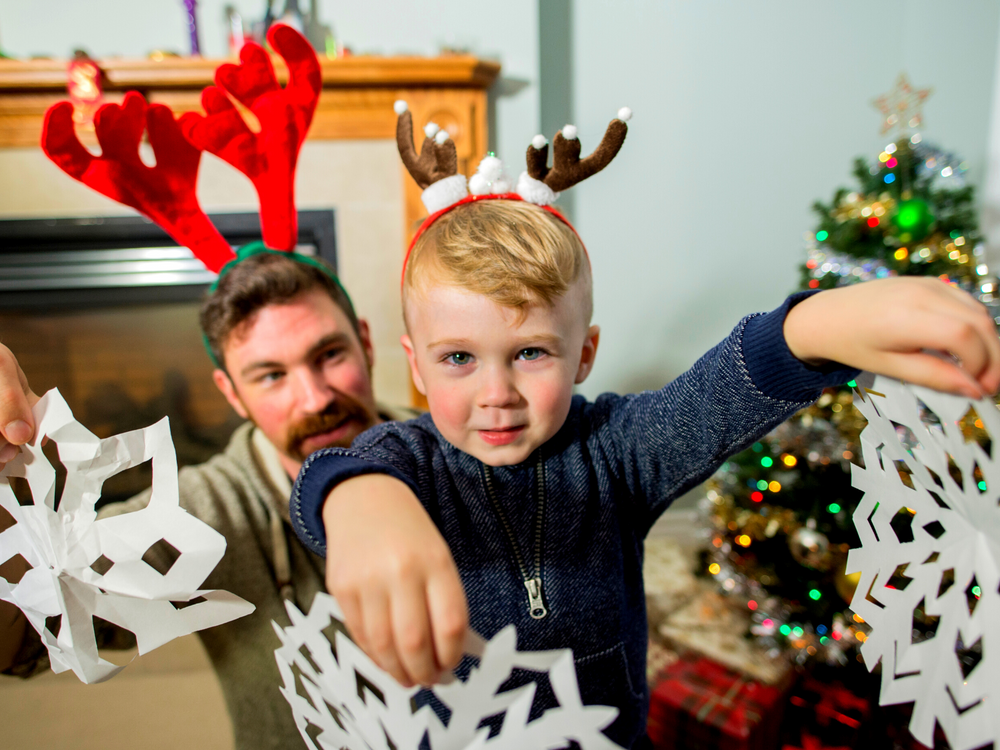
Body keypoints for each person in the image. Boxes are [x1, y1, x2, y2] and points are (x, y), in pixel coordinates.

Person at [287, 194, 1000, 748]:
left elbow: (710, 399)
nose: (495, 393)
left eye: (531, 352)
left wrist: (808, 330)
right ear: (414, 364)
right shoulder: (405, 458)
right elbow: (334, 470)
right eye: (458, 359)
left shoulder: (617, 448)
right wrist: (361, 502)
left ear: (585, 353)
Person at [0, 250, 420, 750]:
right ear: (231, 393)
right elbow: (23, 632)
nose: (314, 398)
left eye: (329, 355)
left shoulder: (458, 452)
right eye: (271, 376)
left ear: (366, 344)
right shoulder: (206, 510)